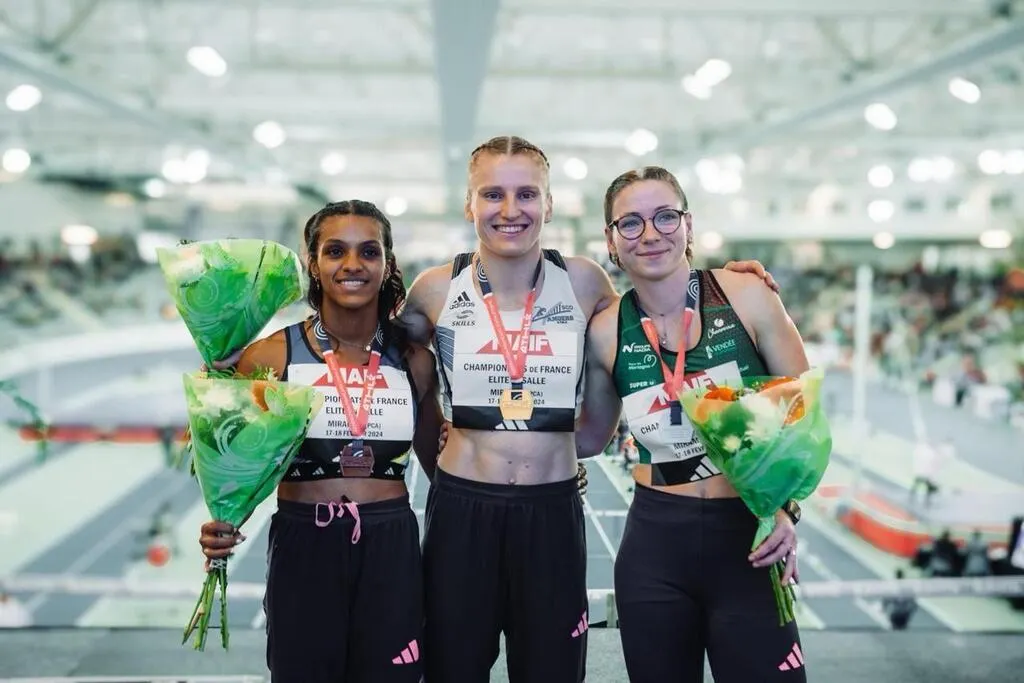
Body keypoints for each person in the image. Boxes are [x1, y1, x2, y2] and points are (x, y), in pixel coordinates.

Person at [401, 137, 773, 683]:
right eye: (492, 194)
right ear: (468, 203)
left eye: (527, 193)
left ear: (549, 205)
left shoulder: (585, 283)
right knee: (452, 669)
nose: (510, 210)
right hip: (463, 511)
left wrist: (723, 281)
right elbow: (377, 353)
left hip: (551, 513)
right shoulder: (435, 289)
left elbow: (660, 293)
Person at [198, 200, 443, 683]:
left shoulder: (415, 361)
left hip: (390, 545)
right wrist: (221, 522)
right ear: (313, 262)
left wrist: (550, 462)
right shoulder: (268, 357)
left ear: (388, 264)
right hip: (304, 543)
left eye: (368, 252)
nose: (352, 265)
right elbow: (239, 466)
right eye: (335, 251)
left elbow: (442, 464)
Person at [583, 166, 809, 682]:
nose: (651, 234)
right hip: (655, 549)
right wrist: (479, 426)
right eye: (632, 223)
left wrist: (787, 510)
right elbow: (591, 436)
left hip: (748, 543)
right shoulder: (603, 332)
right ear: (612, 241)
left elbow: (801, 413)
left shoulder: (746, 294)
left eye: (666, 216)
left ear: (689, 224)